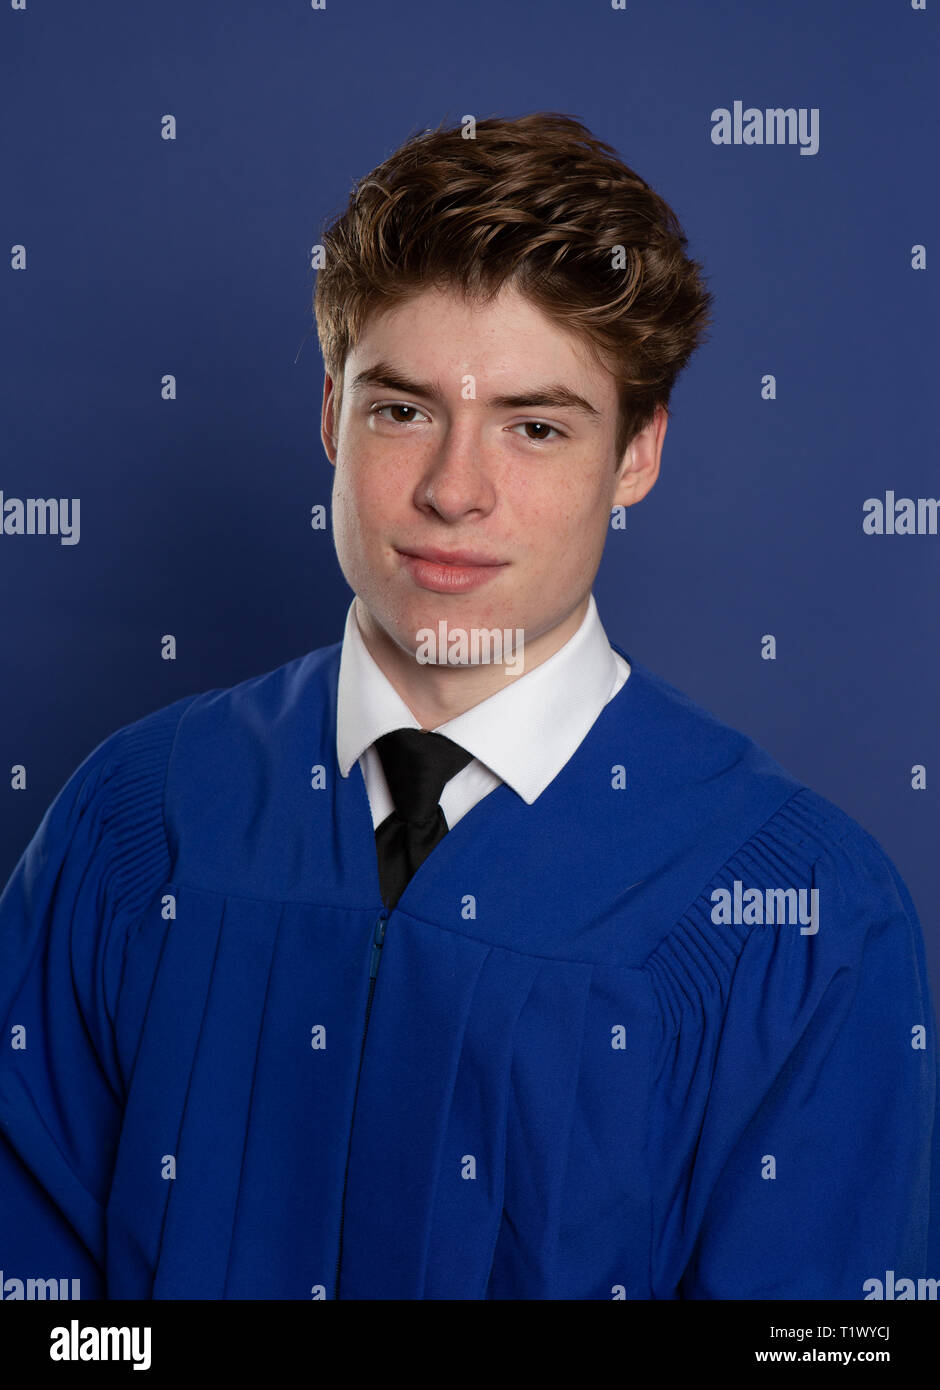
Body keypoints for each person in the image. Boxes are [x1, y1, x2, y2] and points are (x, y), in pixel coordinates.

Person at [0, 112, 936, 1301]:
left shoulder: (798, 919)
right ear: (332, 413)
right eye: (403, 409)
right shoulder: (139, 823)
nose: (454, 490)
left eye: (534, 427)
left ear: (637, 454)